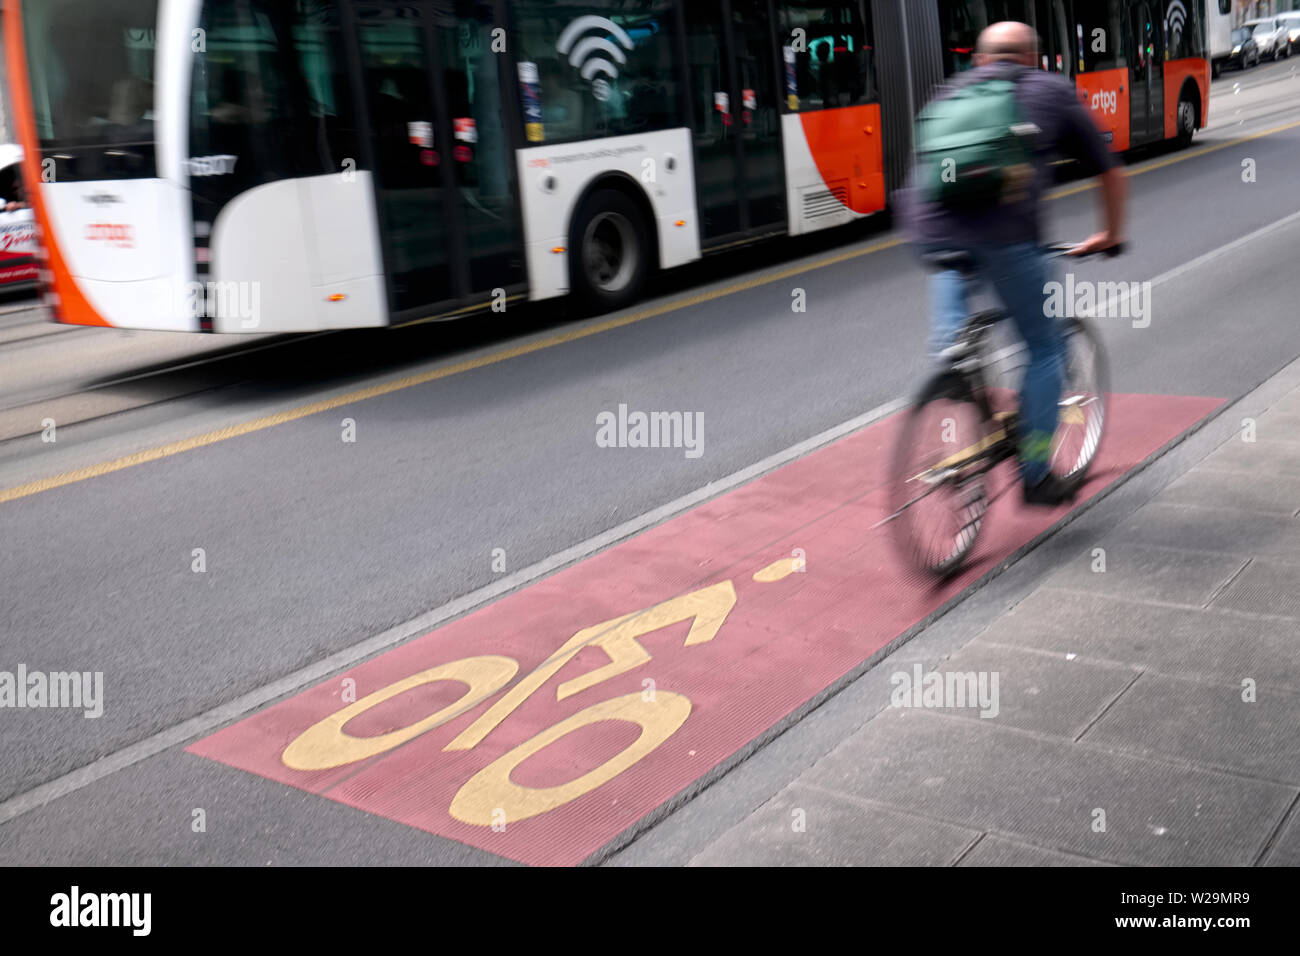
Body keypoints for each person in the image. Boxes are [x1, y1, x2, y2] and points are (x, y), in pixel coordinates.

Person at [902, 21, 1126, 505]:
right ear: (1032, 58)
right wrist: (1109, 234)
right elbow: (1109, 169)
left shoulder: (950, 93)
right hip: (1007, 236)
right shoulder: (1051, 89)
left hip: (929, 231)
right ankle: (1036, 469)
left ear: (980, 60)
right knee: (1045, 349)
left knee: (955, 274)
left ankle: (954, 360)